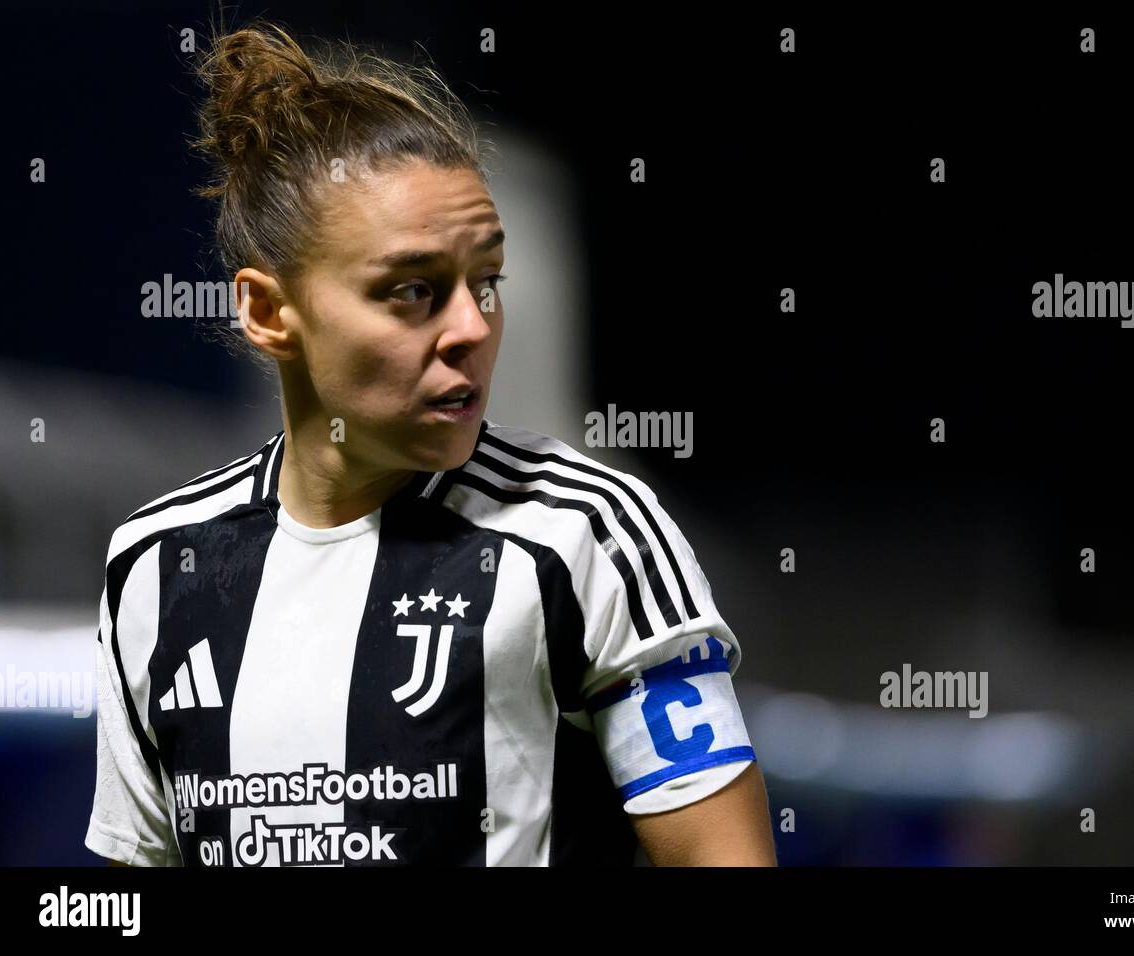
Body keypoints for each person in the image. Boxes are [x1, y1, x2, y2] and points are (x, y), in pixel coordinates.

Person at [85, 21, 775, 867]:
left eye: (487, 282)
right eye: (412, 290)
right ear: (269, 313)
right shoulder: (157, 565)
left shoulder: (589, 533)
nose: (471, 327)